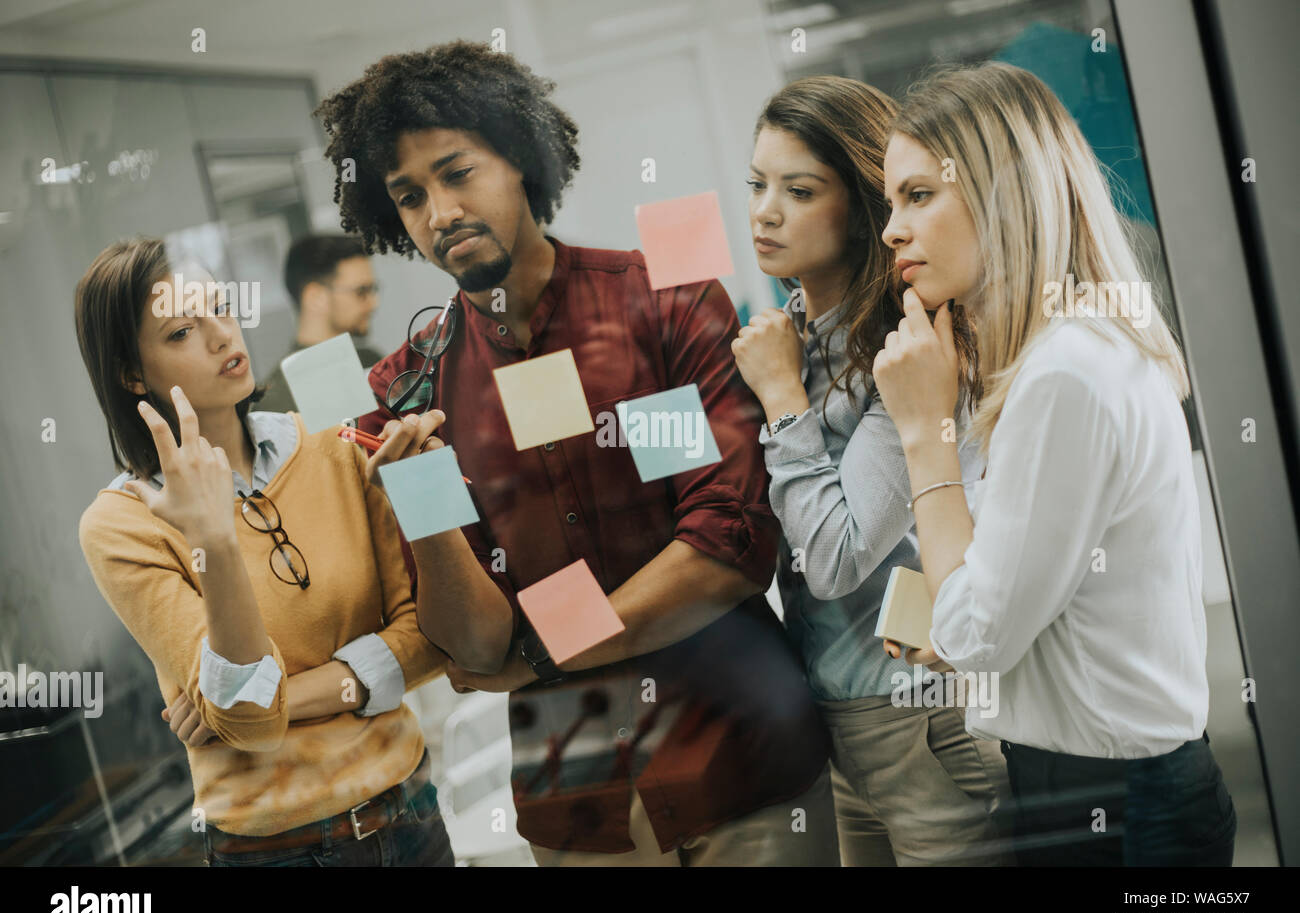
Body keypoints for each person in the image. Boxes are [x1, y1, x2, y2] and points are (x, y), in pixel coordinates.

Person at [317, 40, 839, 865]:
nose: (440, 211)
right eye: (409, 195)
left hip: (740, 764)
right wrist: (419, 504)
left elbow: (724, 546)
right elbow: (474, 647)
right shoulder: (412, 392)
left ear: (521, 158)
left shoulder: (657, 309)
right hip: (578, 808)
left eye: (458, 173)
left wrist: (539, 652)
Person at [871, 61, 1237, 866]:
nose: (892, 229)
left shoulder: (1063, 372)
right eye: (890, 203)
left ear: (1004, 192)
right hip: (1111, 789)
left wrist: (925, 433)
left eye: (918, 195)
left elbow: (975, 633)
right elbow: (1018, 595)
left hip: (1116, 806)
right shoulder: (1064, 352)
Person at [75, 237, 452, 867]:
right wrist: (215, 540)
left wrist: (283, 700)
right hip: (278, 850)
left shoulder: (334, 445)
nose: (224, 336)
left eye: (222, 308)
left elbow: (427, 637)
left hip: (410, 812)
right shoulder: (122, 525)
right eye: (182, 333)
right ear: (131, 374)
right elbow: (249, 718)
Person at [731, 76, 1010, 866]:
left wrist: (783, 401)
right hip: (839, 716)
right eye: (757, 184)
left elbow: (835, 558)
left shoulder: (908, 346)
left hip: (918, 712)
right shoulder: (789, 335)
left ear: (861, 207)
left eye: (800, 189)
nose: (765, 210)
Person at [255, 234, 386, 413]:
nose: (374, 303)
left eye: (373, 289)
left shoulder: (372, 362)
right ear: (315, 297)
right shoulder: (277, 400)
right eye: (361, 291)